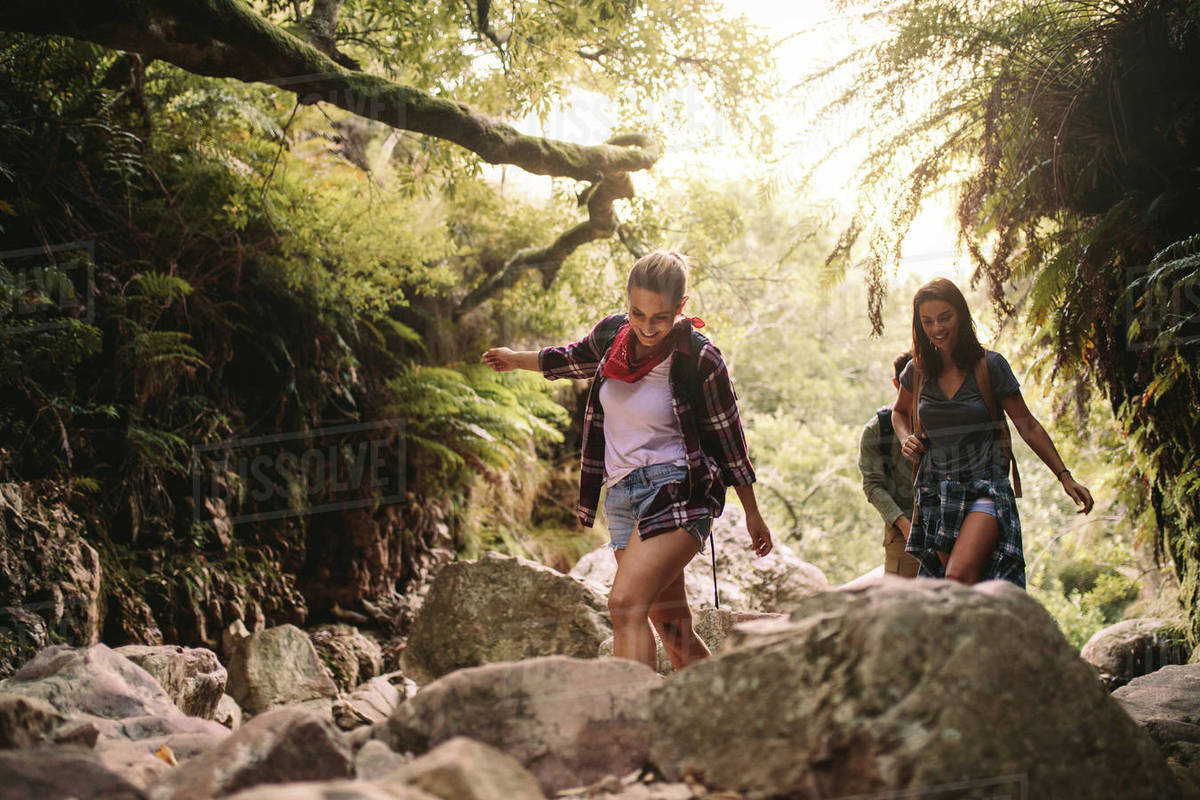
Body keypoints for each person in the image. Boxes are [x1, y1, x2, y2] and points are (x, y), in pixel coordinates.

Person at [481, 250, 772, 670]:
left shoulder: (699, 357)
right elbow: (570, 358)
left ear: (681, 308)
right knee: (673, 630)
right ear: (628, 302)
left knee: (625, 605)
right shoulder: (614, 336)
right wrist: (514, 359)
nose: (648, 327)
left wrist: (752, 513)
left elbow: (729, 440)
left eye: (660, 317)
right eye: (638, 313)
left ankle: (629, 725)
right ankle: (723, 718)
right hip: (622, 496)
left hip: (679, 489)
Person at [890, 278, 1094, 586]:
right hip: (935, 491)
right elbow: (898, 412)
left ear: (961, 314)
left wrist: (1064, 475)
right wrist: (906, 437)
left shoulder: (990, 366)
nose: (937, 328)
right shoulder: (916, 371)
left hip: (985, 486)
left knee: (957, 576)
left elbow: (1027, 424)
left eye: (945, 317)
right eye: (927, 321)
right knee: (958, 586)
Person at [858, 350, 921, 577]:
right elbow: (873, 486)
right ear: (897, 383)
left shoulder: (943, 421)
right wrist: (905, 526)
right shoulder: (877, 430)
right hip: (901, 539)